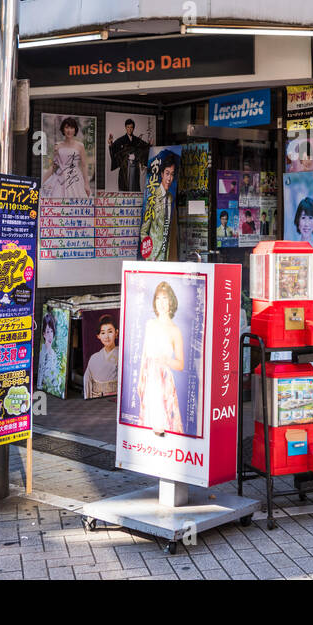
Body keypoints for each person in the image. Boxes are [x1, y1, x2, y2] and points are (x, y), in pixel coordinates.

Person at [135, 281, 186, 434]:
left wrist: (166, 360)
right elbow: (144, 352)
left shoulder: (175, 330)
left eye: (165, 298)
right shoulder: (150, 324)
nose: (161, 303)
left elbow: (180, 364)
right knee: (148, 421)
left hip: (164, 381)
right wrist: (139, 380)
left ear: (171, 301)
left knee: (164, 423)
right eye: (158, 298)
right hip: (149, 376)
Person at [140, 151, 179, 258]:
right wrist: (149, 255)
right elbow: (143, 232)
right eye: (167, 173)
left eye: (172, 174)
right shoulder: (152, 198)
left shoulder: (171, 198)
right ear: (161, 174)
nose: (169, 178)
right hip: (154, 258)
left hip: (166, 256)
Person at [44, 116, 89, 199]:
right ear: (63, 129)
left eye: (72, 128)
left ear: (75, 130)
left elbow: (84, 165)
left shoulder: (80, 146)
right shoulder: (58, 145)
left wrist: (86, 184)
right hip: (59, 178)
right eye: (67, 127)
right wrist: (42, 181)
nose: (69, 130)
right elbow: (53, 166)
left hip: (75, 178)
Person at [83, 316, 120, 399]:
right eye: (103, 333)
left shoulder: (122, 355)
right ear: (98, 336)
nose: (106, 336)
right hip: (95, 398)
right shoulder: (94, 358)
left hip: (115, 399)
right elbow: (87, 380)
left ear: (116, 333)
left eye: (110, 332)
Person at [108, 118, 149, 192]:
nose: (129, 129)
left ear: (133, 128)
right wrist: (111, 144)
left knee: (134, 185)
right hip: (125, 167)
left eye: (131, 127)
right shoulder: (121, 140)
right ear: (125, 128)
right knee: (125, 186)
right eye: (128, 127)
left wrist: (150, 145)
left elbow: (145, 147)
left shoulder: (137, 140)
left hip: (135, 166)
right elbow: (114, 149)